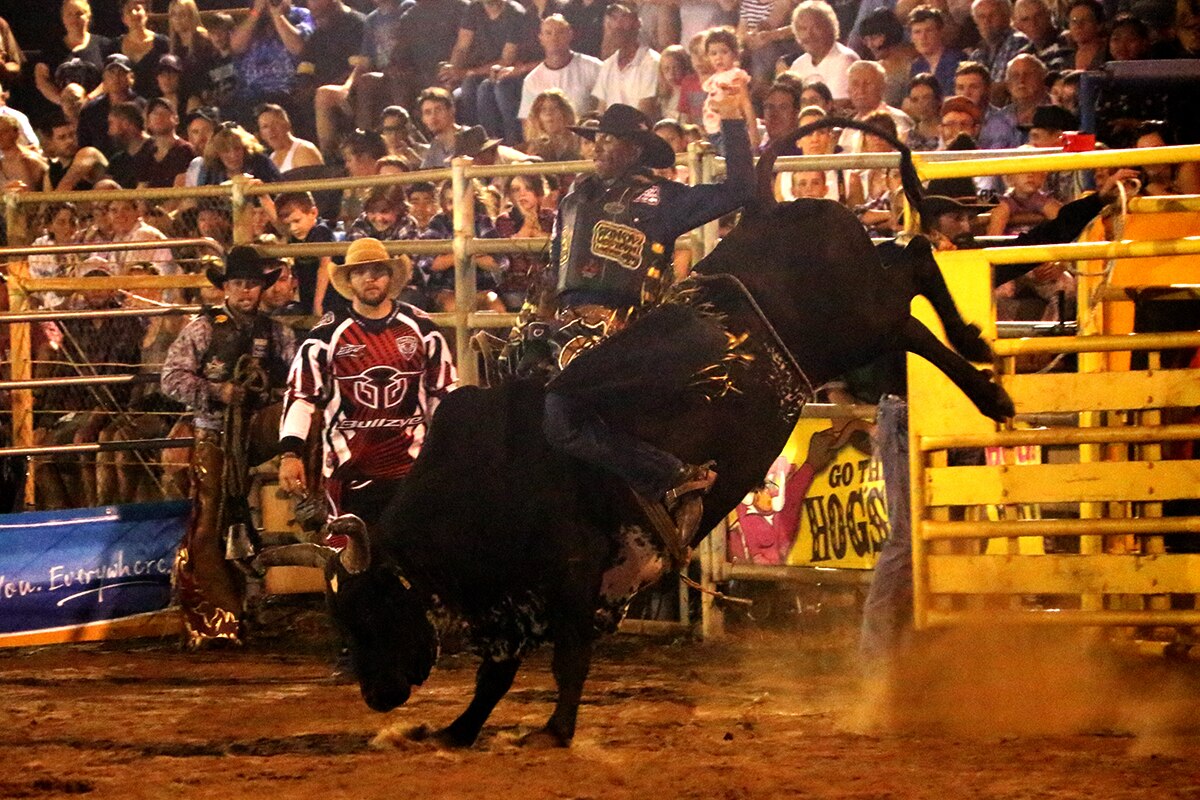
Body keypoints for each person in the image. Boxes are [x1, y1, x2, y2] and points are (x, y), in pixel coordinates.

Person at [531, 96, 755, 566]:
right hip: (569, 329)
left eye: (609, 139)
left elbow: (738, 189)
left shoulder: (662, 199)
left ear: (634, 149)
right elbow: (553, 269)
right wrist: (533, 322)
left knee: (560, 419)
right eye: (597, 138)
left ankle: (671, 474)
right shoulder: (575, 198)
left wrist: (734, 125)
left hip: (625, 329)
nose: (599, 147)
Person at [162, 246, 296, 648]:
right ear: (226, 287)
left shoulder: (278, 334)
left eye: (252, 284)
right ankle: (222, 616)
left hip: (257, 430)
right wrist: (218, 391)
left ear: (261, 289)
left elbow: (298, 383)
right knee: (209, 521)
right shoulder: (202, 329)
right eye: (238, 284)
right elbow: (171, 379)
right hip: (215, 431)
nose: (246, 291)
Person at [278, 237, 456, 535]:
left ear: (390, 276)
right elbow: (301, 396)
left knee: (414, 561)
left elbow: (444, 393)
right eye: (360, 272)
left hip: (412, 470)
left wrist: (448, 449)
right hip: (349, 473)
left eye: (377, 270)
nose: (370, 278)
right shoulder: (326, 335)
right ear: (349, 280)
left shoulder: (423, 329)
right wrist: (290, 453)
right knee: (349, 564)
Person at [519, 16, 602, 133]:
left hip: (586, 141)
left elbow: (606, 106)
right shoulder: (531, 80)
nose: (554, 37)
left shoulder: (594, 67)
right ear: (541, 39)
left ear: (570, 34)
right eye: (548, 33)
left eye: (560, 32)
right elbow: (528, 124)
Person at [591, 3, 660, 116]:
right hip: (610, 132)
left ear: (637, 23)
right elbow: (601, 110)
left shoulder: (652, 62)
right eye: (614, 18)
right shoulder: (608, 65)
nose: (617, 25)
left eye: (623, 18)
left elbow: (644, 113)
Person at [786, 1, 859, 103]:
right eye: (803, 29)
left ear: (831, 28)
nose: (809, 35)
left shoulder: (844, 59)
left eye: (816, 27)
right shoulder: (798, 64)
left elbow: (839, 106)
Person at [134, 97, 195, 189]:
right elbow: (141, 186)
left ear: (176, 119)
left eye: (164, 112)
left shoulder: (185, 150)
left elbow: (180, 191)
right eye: (154, 113)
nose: (158, 116)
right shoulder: (146, 150)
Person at [118, 0, 170, 100]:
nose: (134, 13)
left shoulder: (163, 43)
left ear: (146, 14)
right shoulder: (115, 45)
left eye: (137, 9)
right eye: (129, 11)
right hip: (127, 106)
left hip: (156, 104)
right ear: (124, 19)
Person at [256, 103, 323, 173]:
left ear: (287, 124)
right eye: (265, 127)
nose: (271, 130)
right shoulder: (271, 159)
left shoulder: (303, 151)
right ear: (262, 135)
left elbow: (313, 182)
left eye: (275, 123)